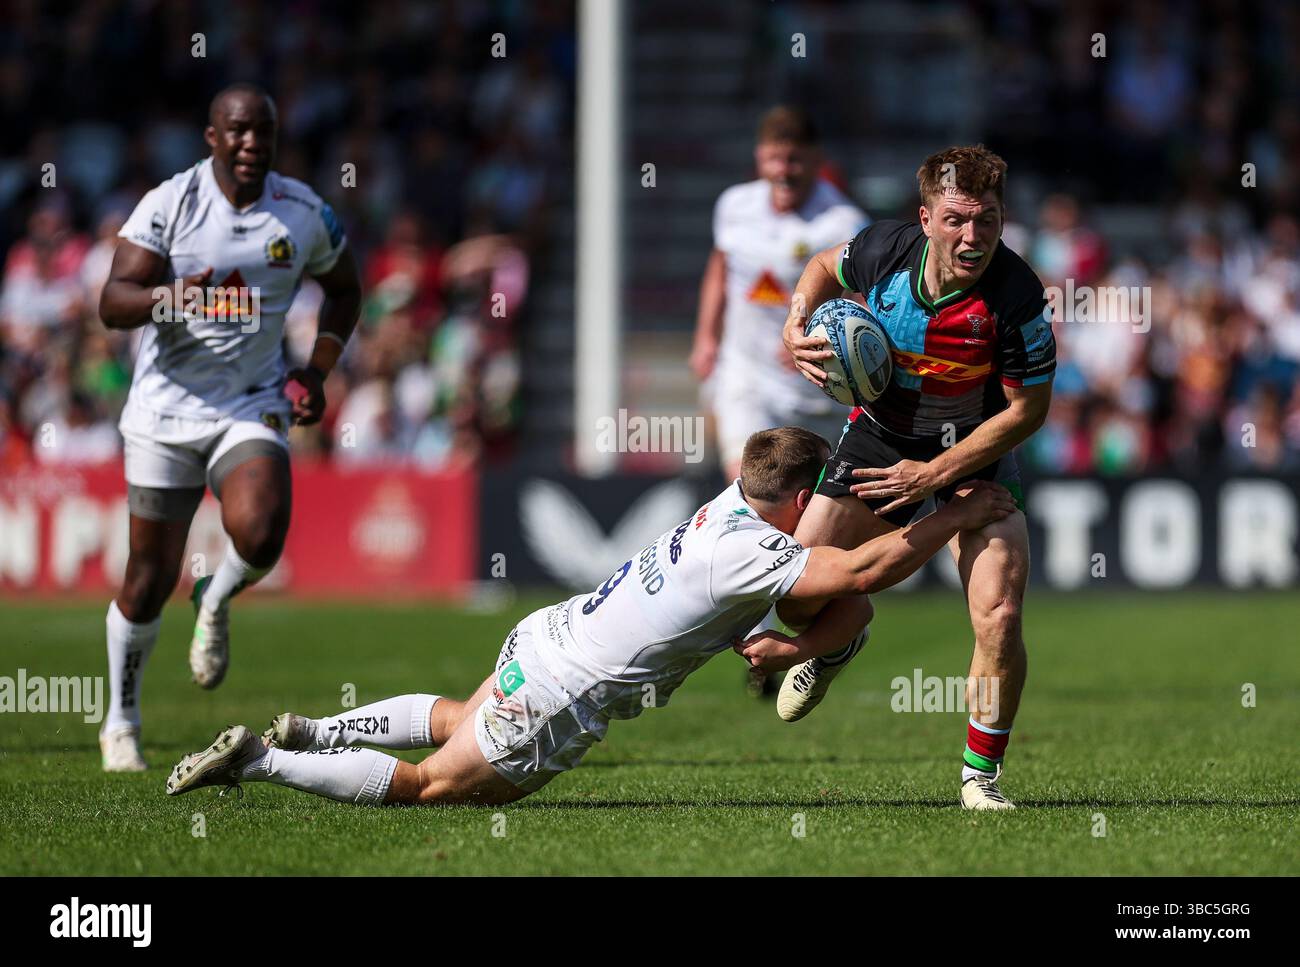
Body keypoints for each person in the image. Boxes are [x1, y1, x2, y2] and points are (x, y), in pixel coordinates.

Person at [165, 427, 1016, 806]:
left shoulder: (725, 506)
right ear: (799, 497)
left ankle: (314, 730)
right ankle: (264, 760)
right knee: (428, 787)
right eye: (818, 493)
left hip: (547, 633)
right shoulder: (753, 549)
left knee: (461, 717)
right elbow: (865, 566)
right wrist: (956, 511)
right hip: (564, 693)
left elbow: (846, 585)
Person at [774, 145, 1056, 810]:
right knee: (795, 596)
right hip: (879, 437)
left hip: (976, 455)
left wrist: (936, 472)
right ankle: (841, 639)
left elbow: (1029, 411)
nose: (973, 235)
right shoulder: (881, 251)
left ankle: (979, 778)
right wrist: (794, 322)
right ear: (925, 218)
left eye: (987, 219)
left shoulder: (1017, 299)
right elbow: (821, 265)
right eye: (957, 219)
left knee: (1001, 615)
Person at [97, 83, 362, 772]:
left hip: (250, 400)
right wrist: (169, 297)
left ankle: (212, 597)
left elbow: (345, 288)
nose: (250, 143)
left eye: (262, 132)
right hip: (164, 410)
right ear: (211, 138)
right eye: (237, 132)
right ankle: (121, 719)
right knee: (147, 577)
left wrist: (316, 370)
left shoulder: (301, 212)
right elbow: (112, 303)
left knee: (263, 529)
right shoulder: (170, 204)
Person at [689, 105, 867, 696]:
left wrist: (817, 338)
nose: (783, 170)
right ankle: (763, 642)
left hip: (815, 393)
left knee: (802, 523)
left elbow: (859, 303)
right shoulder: (733, 206)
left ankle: (820, 632)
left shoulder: (840, 219)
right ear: (760, 160)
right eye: (774, 158)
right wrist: (707, 337)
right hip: (745, 380)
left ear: (815, 161)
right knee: (749, 489)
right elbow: (720, 266)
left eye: (794, 159)